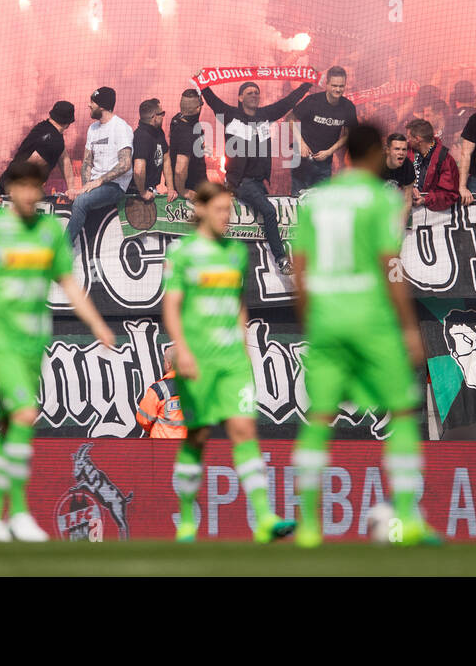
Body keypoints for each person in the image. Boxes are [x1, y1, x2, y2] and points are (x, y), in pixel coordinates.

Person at [0, 160, 115, 541]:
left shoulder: (49, 231)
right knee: (26, 413)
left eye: (37, 186)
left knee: (12, 424)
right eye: (24, 187)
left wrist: (97, 323)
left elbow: (68, 282)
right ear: (11, 190)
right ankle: (16, 512)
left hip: (34, 339)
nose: (32, 193)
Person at [289, 123, 436, 547]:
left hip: (326, 320)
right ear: (373, 154)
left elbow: (299, 269)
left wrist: (311, 321)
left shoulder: (315, 202)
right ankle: (407, 519)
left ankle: (309, 528)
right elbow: (389, 265)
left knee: (319, 419)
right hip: (370, 318)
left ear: (345, 154)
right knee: (403, 412)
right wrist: (408, 327)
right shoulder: (377, 199)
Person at [163, 181, 295, 543]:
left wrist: (244, 345)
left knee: (244, 431)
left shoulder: (235, 253)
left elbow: (238, 303)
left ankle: (265, 518)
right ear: (202, 209)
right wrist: (184, 351)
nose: (227, 216)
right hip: (198, 358)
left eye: (229, 209)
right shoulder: (183, 253)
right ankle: (187, 520)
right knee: (198, 436)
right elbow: (171, 307)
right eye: (220, 209)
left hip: (232, 361)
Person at [200, 77, 312, 274]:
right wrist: (202, 81)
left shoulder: (265, 114)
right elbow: (212, 100)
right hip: (242, 182)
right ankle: (281, 259)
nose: (254, 95)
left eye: (256, 92)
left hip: (260, 182)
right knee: (269, 212)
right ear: (240, 97)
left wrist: (307, 84)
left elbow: (287, 103)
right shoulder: (230, 115)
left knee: (262, 217)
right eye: (249, 92)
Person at [67, 87, 133, 244]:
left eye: (92, 102)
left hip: (115, 185)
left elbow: (125, 164)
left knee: (81, 202)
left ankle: (60, 252)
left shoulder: (121, 127)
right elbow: (87, 162)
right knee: (79, 198)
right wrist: (85, 187)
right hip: (96, 185)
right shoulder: (93, 128)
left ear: (102, 106)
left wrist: (98, 181)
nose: (88, 105)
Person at [290, 66, 357, 193]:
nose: (338, 90)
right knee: (299, 202)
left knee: (320, 205)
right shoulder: (312, 101)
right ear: (326, 84)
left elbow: (348, 135)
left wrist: (329, 151)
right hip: (301, 160)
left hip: (324, 164)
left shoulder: (348, 107)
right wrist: (301, 143)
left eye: (341, 86)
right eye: (334, 85)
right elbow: (290, 118)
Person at [0, 100, 75, 195]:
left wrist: (72, 189)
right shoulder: (54, 141)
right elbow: (31, 164)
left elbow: (64, 159)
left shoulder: (44, 127)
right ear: (68, 123)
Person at [405, 118, 460, 211]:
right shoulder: (405, 151)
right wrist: (406, 189)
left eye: (409, 137)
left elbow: (449, 194)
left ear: (418, 139)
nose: (407, 140)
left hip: (430, 216)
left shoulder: (444, 159)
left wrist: (425, 199)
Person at [135, 348, 187, 439]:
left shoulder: (159, 389)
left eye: (164, 361)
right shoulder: (194, 388)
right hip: (187, 446)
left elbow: (143, 419)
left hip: (162, 447)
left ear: (168, 364)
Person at [131, 98, 176, 202]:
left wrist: (170, 188)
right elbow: (138, 170)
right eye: (162, 113)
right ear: (154, 117)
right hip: (136, 193)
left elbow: (166, 159)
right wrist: (143, 192)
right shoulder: (141, 136)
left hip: (150, 190)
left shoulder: (158, 132)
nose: (163, 116)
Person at [168, 88, 208, 199]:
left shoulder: (176, 119)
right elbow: (180, 169)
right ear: (198, 108)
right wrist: (183, 191)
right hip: (193, 188)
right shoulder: (188, 134)